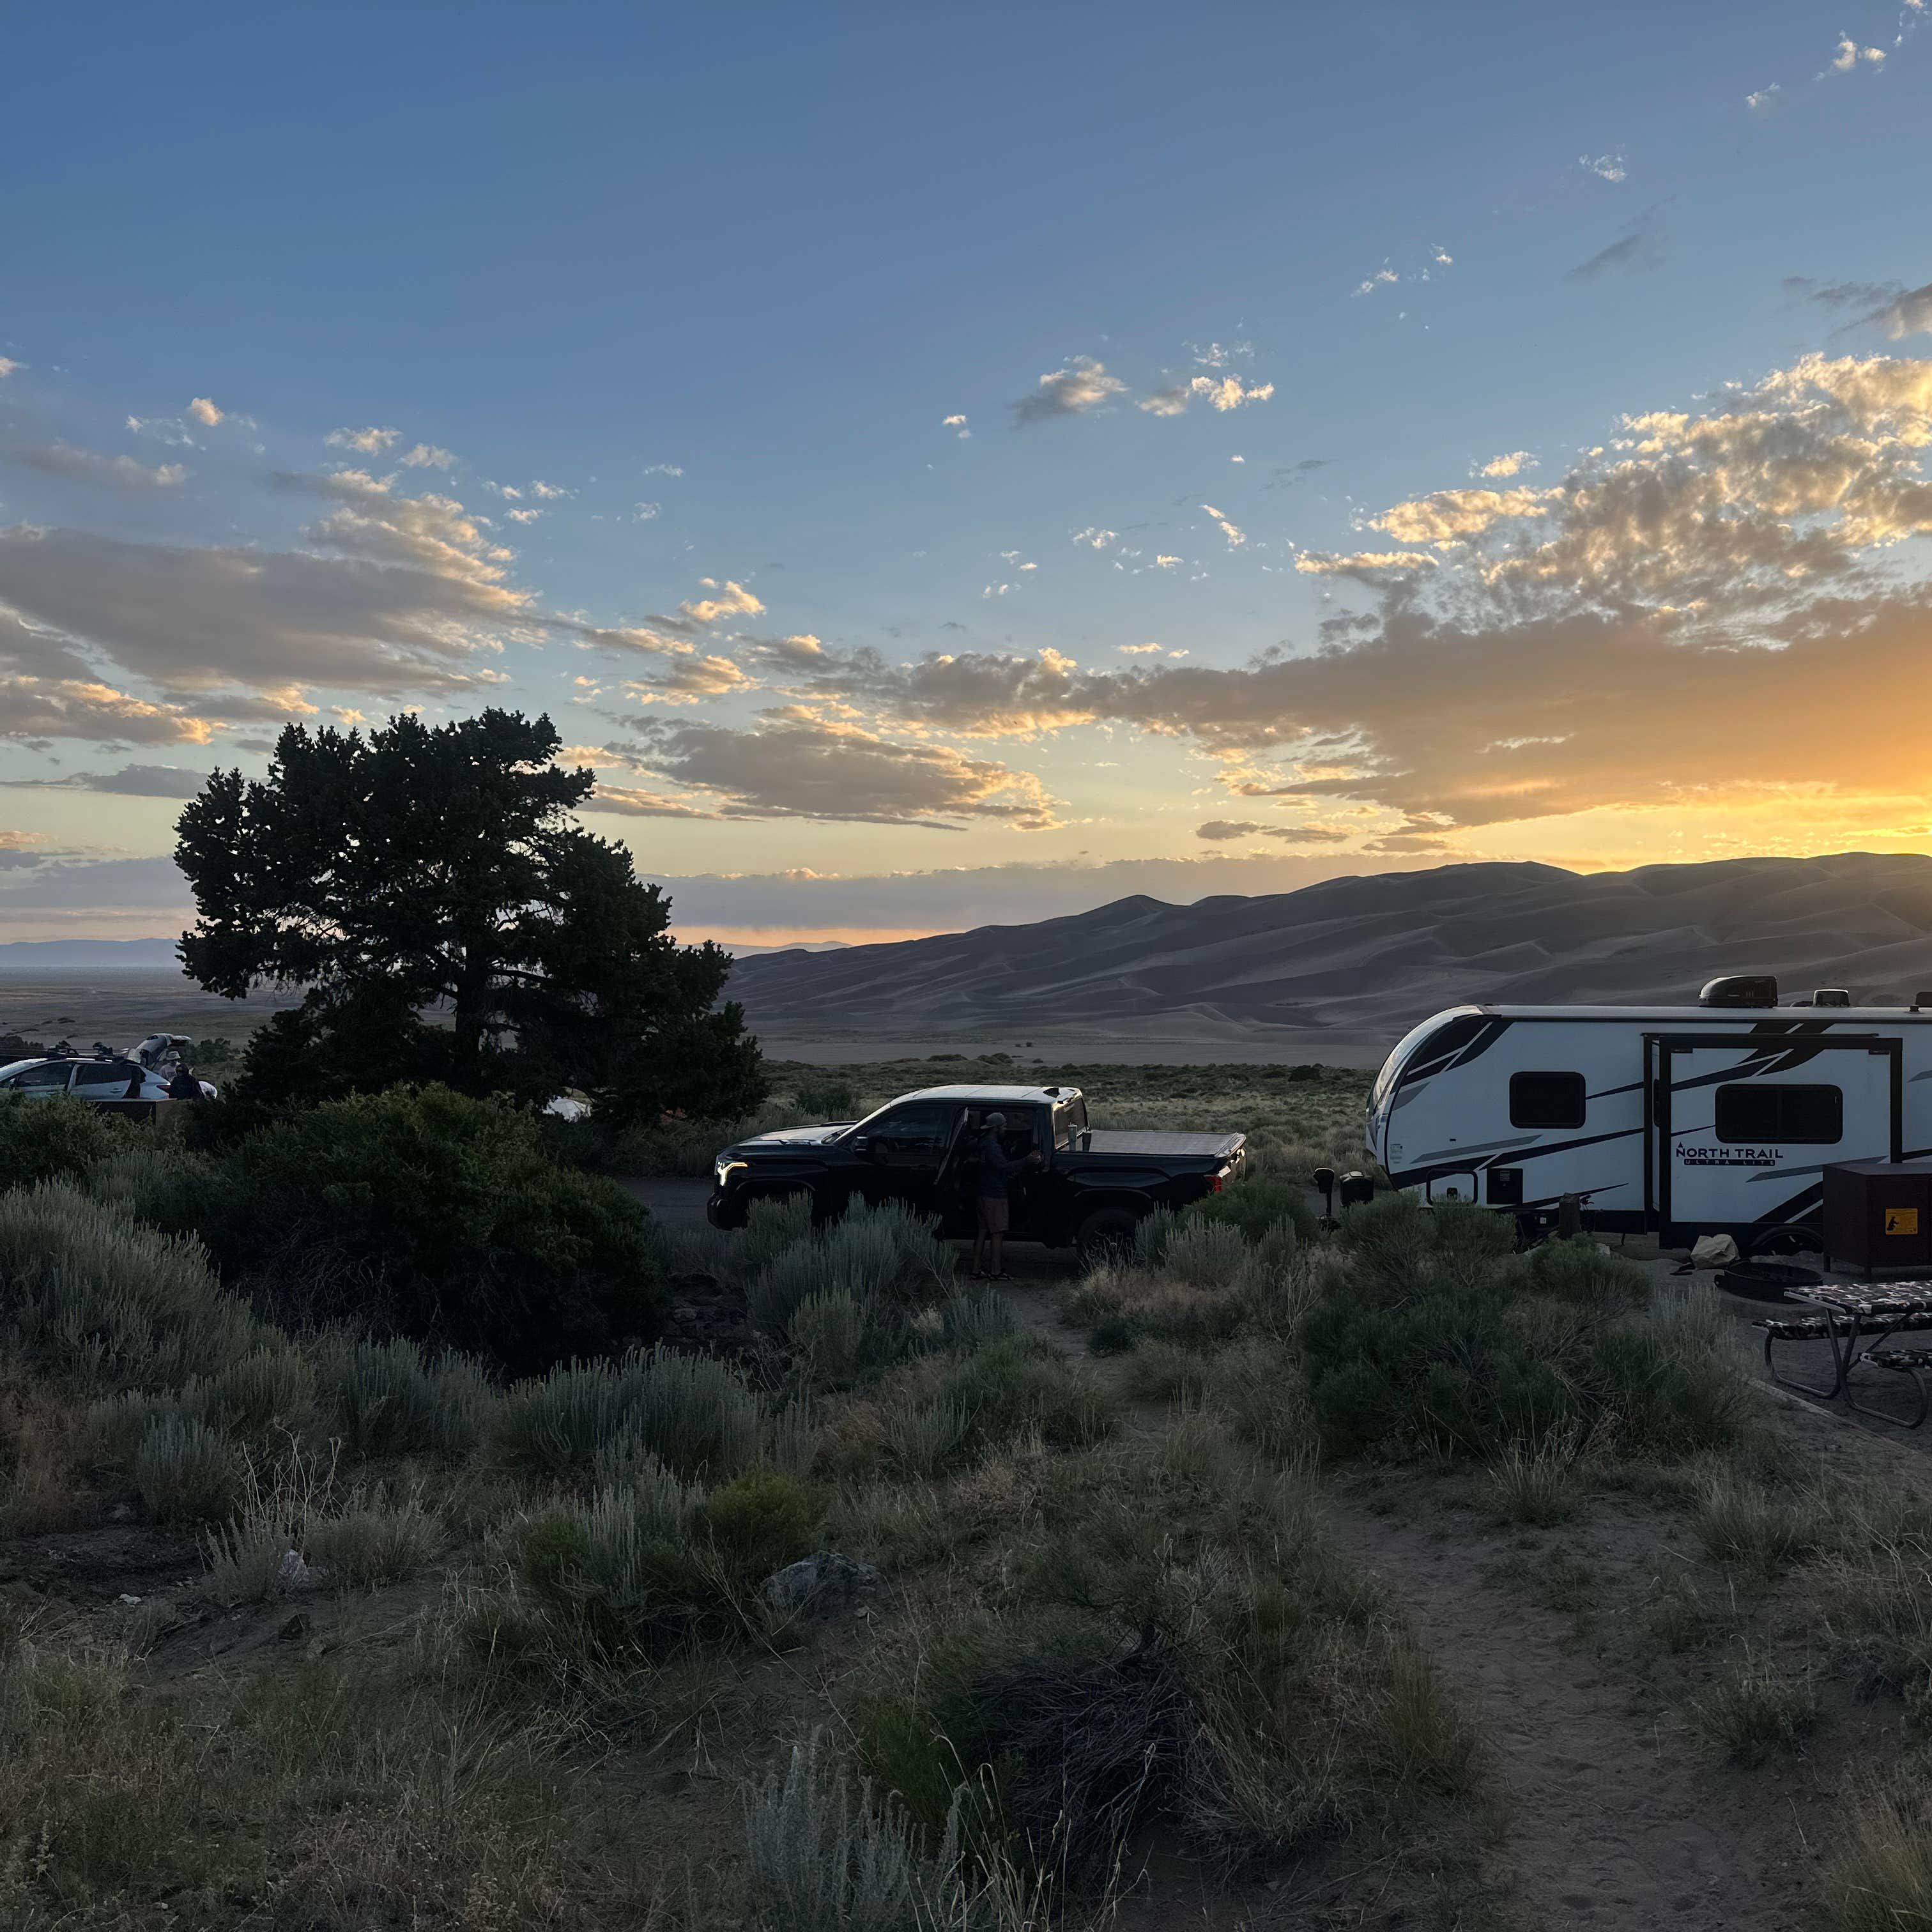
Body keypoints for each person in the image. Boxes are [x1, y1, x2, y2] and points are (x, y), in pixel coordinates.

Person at [970, 1110, 1041, 1282]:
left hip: (983, 1193)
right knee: (997, 1234)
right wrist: (1027, 1161)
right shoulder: (993, 1148)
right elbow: (1003, 1168)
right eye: (1003, 1126)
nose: (1005, 1129)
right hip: (995, 1195)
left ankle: (976, 1269)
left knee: (982, 1232)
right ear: (996, 1128)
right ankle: (995, 1272)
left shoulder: (984, 1145)